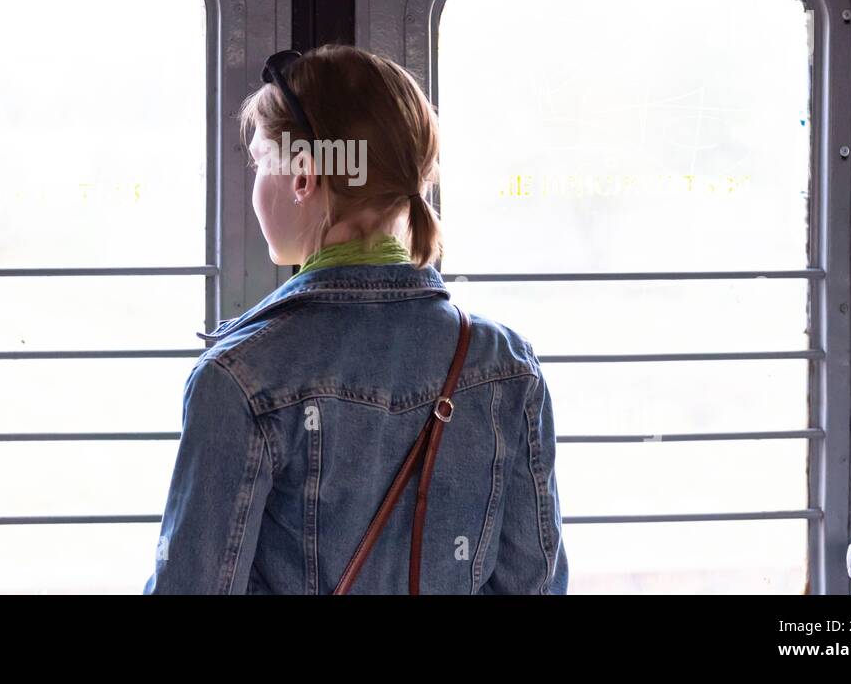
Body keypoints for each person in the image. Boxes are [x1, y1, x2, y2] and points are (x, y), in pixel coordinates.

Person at [143, 44, 567, 594]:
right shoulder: (506, 364)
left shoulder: (239, 377)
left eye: (257, 164)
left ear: (303, 176)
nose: (254, 187)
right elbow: (533, 585)